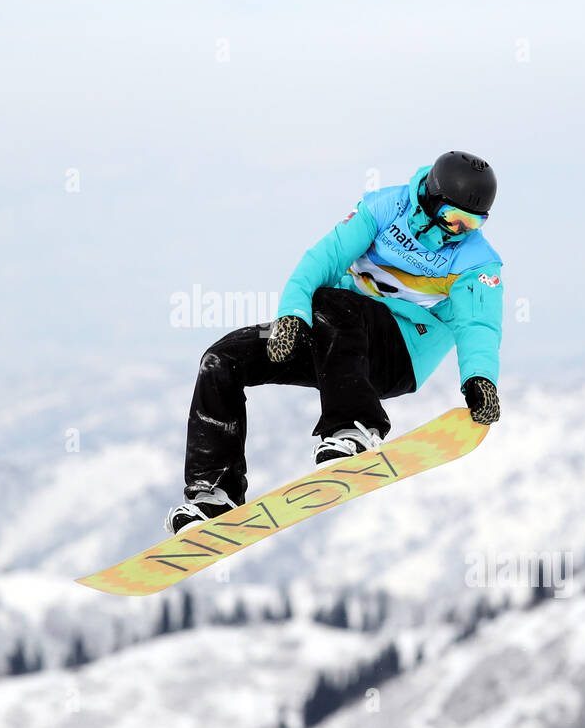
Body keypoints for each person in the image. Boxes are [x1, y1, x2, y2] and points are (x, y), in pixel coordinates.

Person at [165, 151, 505, 533]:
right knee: (222, 359)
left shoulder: (477, 261)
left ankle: (354, 427)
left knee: (334, 303)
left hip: (398, 354)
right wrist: (292, 317)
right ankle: (213, 494)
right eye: (452, 217)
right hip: (335, 334)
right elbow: (320, 261)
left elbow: (479, 324)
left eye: (472, 223)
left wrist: (479, 379)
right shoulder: (384, 208)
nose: (458, 231)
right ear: (430, 197)